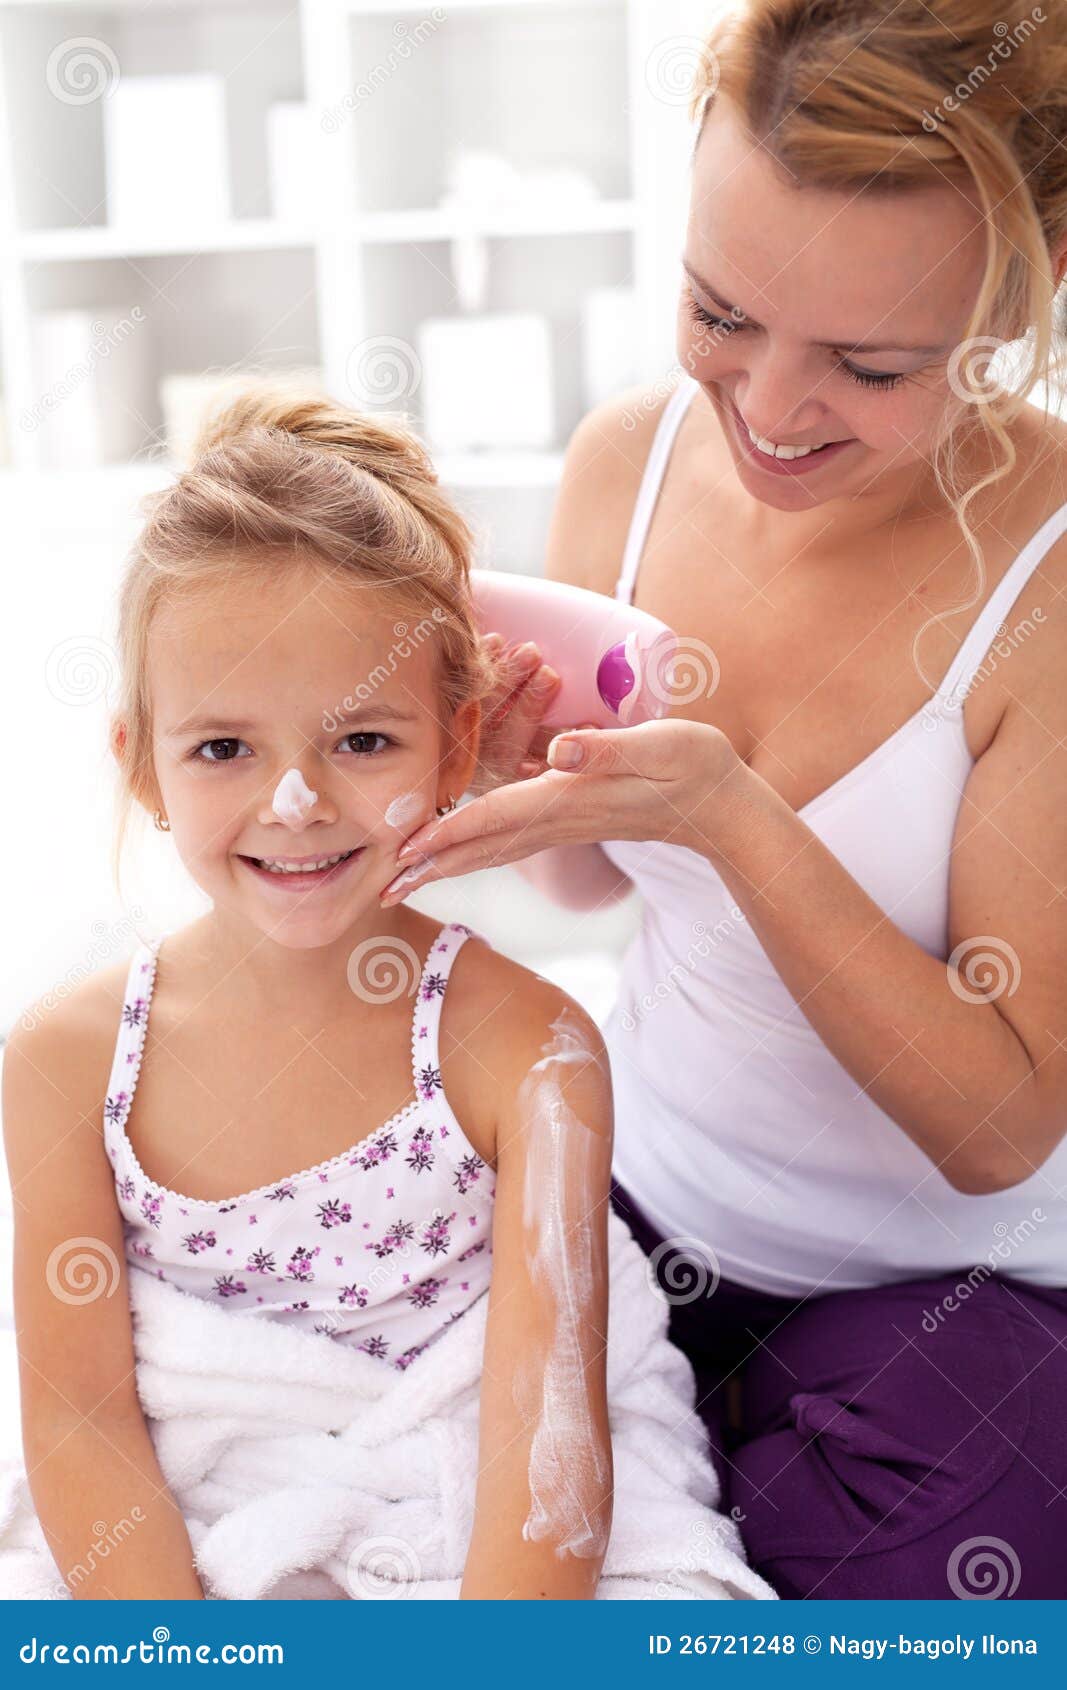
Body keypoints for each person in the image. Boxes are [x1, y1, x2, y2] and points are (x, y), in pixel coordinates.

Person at [379, 0, 1067, 1598]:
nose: (765, 405)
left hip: (943, 1296)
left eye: (871, 362)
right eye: (717, 310)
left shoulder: (1043, 584)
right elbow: (590, 892)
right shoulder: (628, 463)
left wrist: (728, 813)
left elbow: (997, 1119)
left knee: (946, 1534)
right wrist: (539, 774)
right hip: (642, 1206)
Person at [1, 383, 615, 1600]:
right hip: (197, 1550)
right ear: (144, 770)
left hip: (461, 1544)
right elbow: (78, 1423)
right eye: (224, 748)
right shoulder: (63, 1060)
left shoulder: (532, 1048)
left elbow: (548, 1450)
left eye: (362, 741)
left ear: (454, 744)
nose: (295, 803)